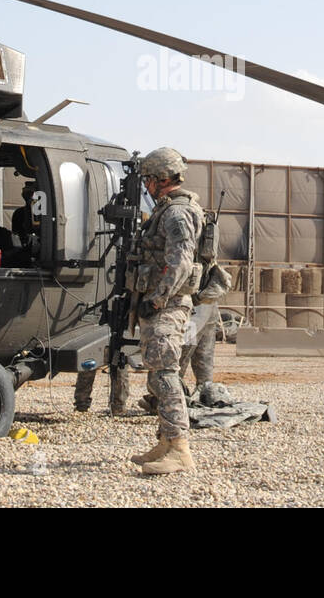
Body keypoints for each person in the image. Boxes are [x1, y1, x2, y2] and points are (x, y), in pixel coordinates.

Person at [128, 147, 203, 475]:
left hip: (168, 305)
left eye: (148, 179)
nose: (145, 185)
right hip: (163, 302)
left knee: (165, 374)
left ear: (160, 179)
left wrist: (157, 298)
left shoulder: (176, 213)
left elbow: (180, 261)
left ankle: (180, 450)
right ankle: (166, 443)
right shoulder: (168, 210)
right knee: (158, 373)